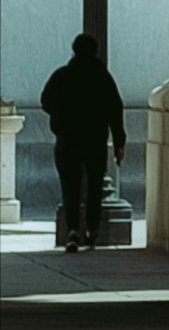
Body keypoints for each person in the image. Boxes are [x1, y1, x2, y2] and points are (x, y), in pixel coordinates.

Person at [40, 33, 125, 254]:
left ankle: (72, 230)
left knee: (70, 187)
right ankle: (92, 230)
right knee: (94, 185)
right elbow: (115, 110)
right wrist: (119, 141)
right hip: (95, 139)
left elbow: (46, 101)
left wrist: (61, 116)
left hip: (67, 138)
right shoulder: (102, 77)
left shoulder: (62, 75)